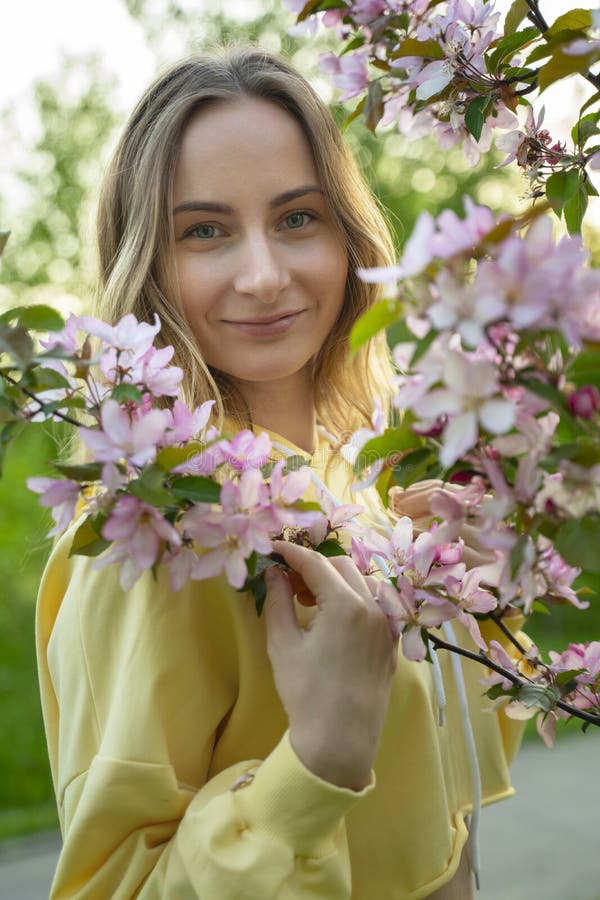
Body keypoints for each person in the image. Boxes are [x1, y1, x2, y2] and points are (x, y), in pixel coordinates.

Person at [36, 47, 526, 899]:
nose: (264, 277)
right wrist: (317, 763)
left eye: (298, 217)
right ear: (148, 263)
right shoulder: (156, 533)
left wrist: (485, 616)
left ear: (348, 234)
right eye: (205, 231)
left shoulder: (368, 474)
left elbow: (432, 806)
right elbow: (110, 885)